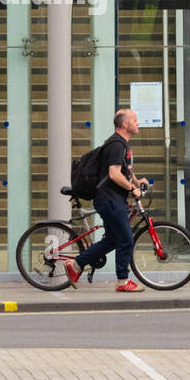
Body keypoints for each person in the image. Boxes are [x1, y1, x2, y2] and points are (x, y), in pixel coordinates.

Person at [65, 109, 151, 293]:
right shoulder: (117, 145)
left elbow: (126, 169)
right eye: (135, 120)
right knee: (126, 239)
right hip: (110, 200)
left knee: (112, 240)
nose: (138, 123)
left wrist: (137, 181)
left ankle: (76, 265)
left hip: (111, 199)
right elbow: (114, 174)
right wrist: (132, 188)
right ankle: (123, 281)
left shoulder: (121, 144)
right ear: (125, 124)